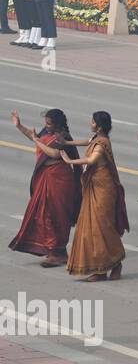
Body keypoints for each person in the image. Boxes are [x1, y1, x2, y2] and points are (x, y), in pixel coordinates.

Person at [62, 111, 129, 282]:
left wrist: (69, 161)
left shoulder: (101, 144)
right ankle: (101, 269)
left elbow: (91, 160)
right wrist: (67, 142)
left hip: (104, 190)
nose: (90, 123)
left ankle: (115, 262)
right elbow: (87, 142)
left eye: (92, 121)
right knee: (91, 230)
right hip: (94, 188)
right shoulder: (97, 138)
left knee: (102, 228)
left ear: (98, 125)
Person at [9, 109, 81, 267]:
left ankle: (57, 252)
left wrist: (37, 141)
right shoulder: (46, 132)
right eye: (45, 123)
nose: (45, 126)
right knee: (43, 214)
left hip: (59, 179)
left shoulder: (62, 136)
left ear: (57, 124)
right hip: (46, 177)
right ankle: (56, 252)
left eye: (49, 123)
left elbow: (55, 153)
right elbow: (35, 137)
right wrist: (19, 126)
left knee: (57, 215)